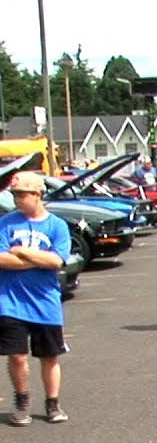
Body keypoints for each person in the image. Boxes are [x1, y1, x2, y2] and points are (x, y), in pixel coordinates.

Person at [0, 172, 72, 425]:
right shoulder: (5, 223)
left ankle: (52, 403)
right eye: (14, 195)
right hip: (9, 301)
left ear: (37, 195)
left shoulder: (57, 226)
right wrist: (38, 260)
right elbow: (1, 259)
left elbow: (56, 260)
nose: (17, 199)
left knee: (49, 356)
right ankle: (22, 399)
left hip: (45, 302)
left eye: (22, 195)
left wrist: (21, 252)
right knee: (17, 355)